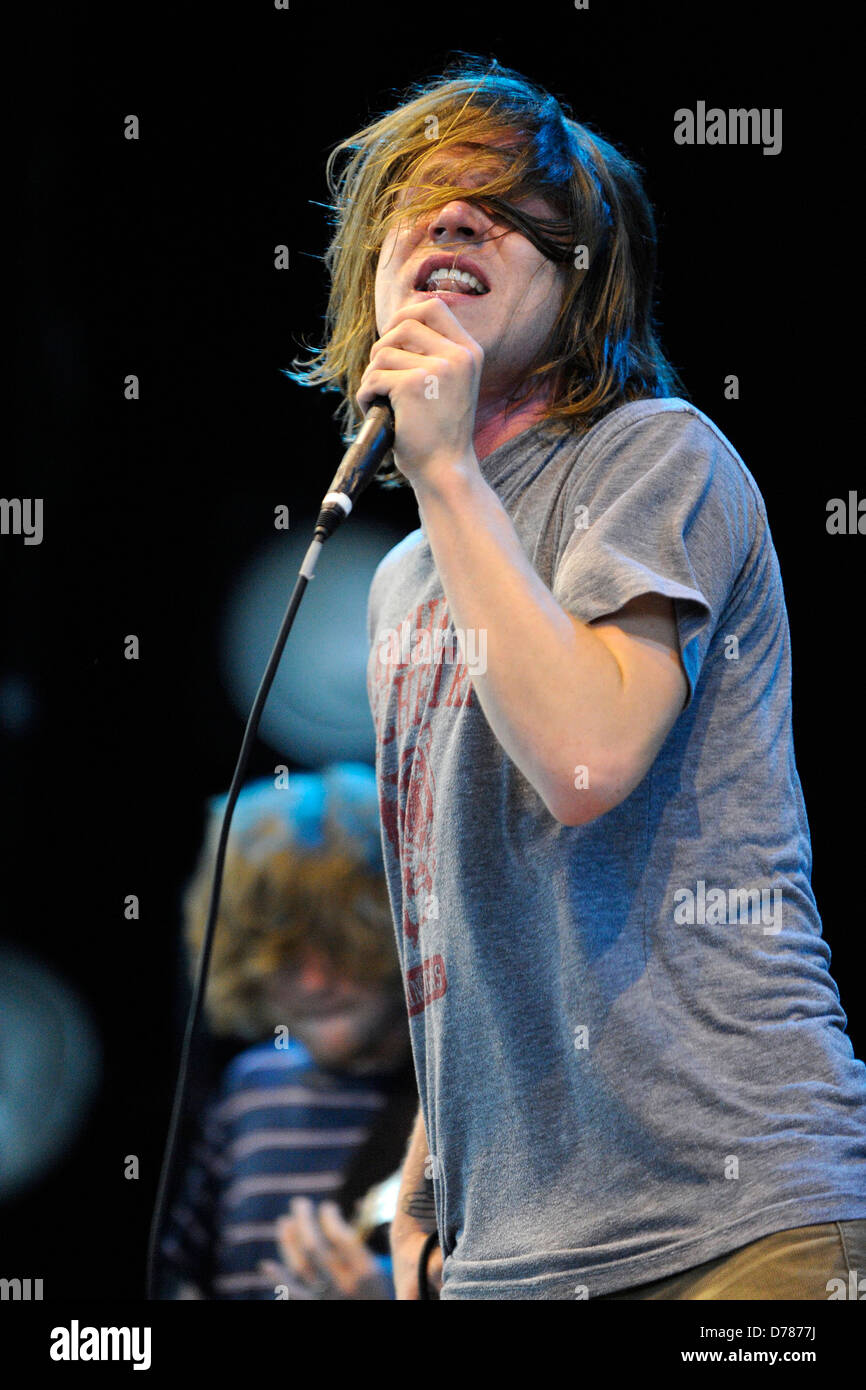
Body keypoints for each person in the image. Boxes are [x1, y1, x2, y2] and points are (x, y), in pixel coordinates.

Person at [290, 58, 866, 1299]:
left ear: (580, 282)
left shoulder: (656, 459)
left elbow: (586, 762)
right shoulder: (401, 583)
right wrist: (431, 1166)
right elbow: (458, 914)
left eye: (496, 209)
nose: (448, 221)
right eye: (420, 202)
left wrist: (443, 473)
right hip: (515, 1252)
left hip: (732, 1225)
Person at [159, 762, 417, 1299]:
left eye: (344, 943)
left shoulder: (473, 1096)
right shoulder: (251, 1088)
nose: (316, 981)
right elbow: (186, 1279)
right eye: (281, 955)